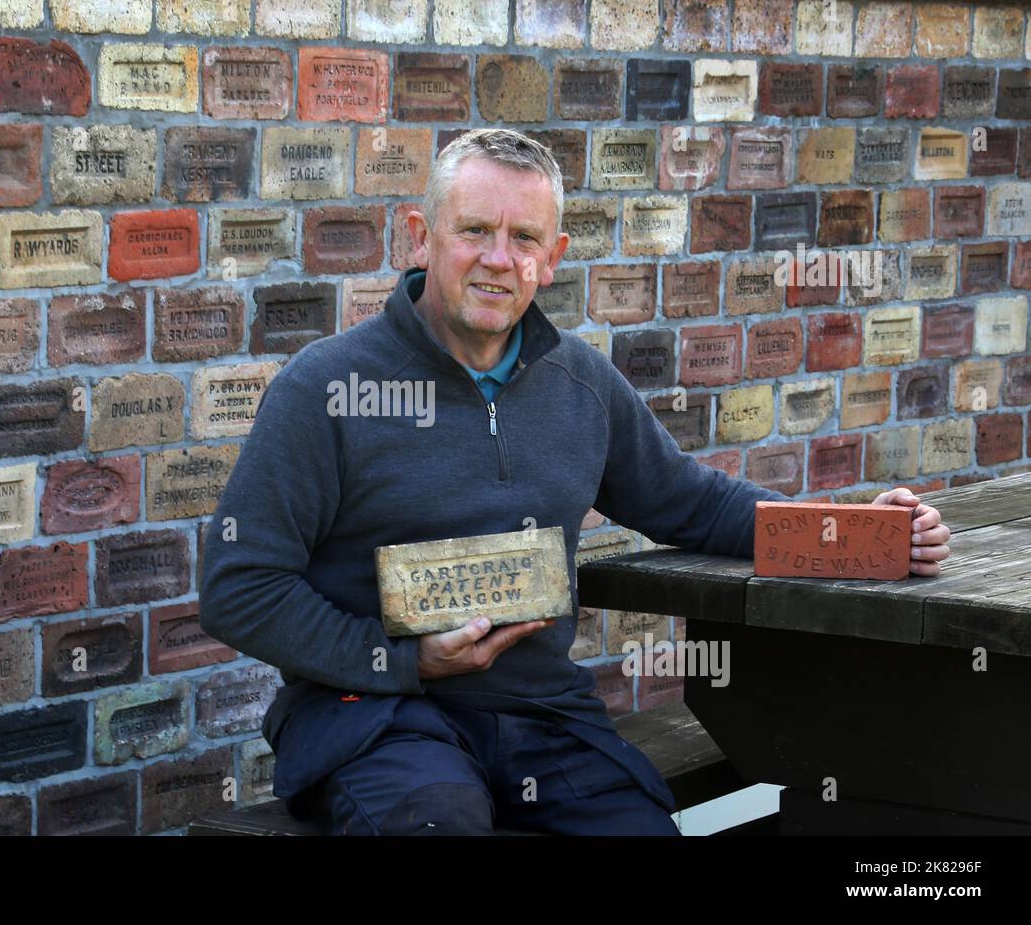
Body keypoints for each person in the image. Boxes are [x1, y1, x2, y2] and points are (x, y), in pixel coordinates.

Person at [198, 128, 952, 835]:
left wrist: (856, 531)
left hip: (537, 715)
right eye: (474, 231)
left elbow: (691, 503)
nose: (500, 258)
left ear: (552, 256)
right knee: (435, 819)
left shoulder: (578, 383)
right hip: (372, 712)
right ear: (419, 236)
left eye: (523, 237)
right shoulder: (327, 388)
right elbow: (241, 585)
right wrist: (403, 659)